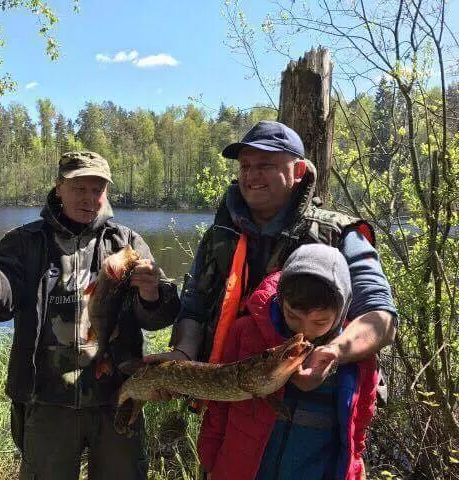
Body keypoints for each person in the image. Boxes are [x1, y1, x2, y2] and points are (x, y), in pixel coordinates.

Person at [0, 151, 180, 480]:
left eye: (97, 190)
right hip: (44, 401)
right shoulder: (24, 243)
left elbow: (157, 318)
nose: (89, 199)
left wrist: (153, 292)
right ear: (59, 187)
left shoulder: (126, 242)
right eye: (79, 188)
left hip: (117, 395)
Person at [149, 120, 396, 398]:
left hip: (311, 406)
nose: (252, 175)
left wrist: (333, 353)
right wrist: (183, 352)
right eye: (245, 166)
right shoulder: (219, 237)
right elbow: (193, 309)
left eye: (265, 165)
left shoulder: (339, 235)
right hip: (230, 399)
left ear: (299, 171)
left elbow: (382, 318)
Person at [198, 244, 378, 480]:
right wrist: (210, 461)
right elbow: (219, 405)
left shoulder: (358, 357)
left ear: (341, 310)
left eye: (320, 321)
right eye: (293, 316)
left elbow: (360, 419)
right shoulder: (246, 333)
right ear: (281, 301)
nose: (305, 331)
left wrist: (354, 466)